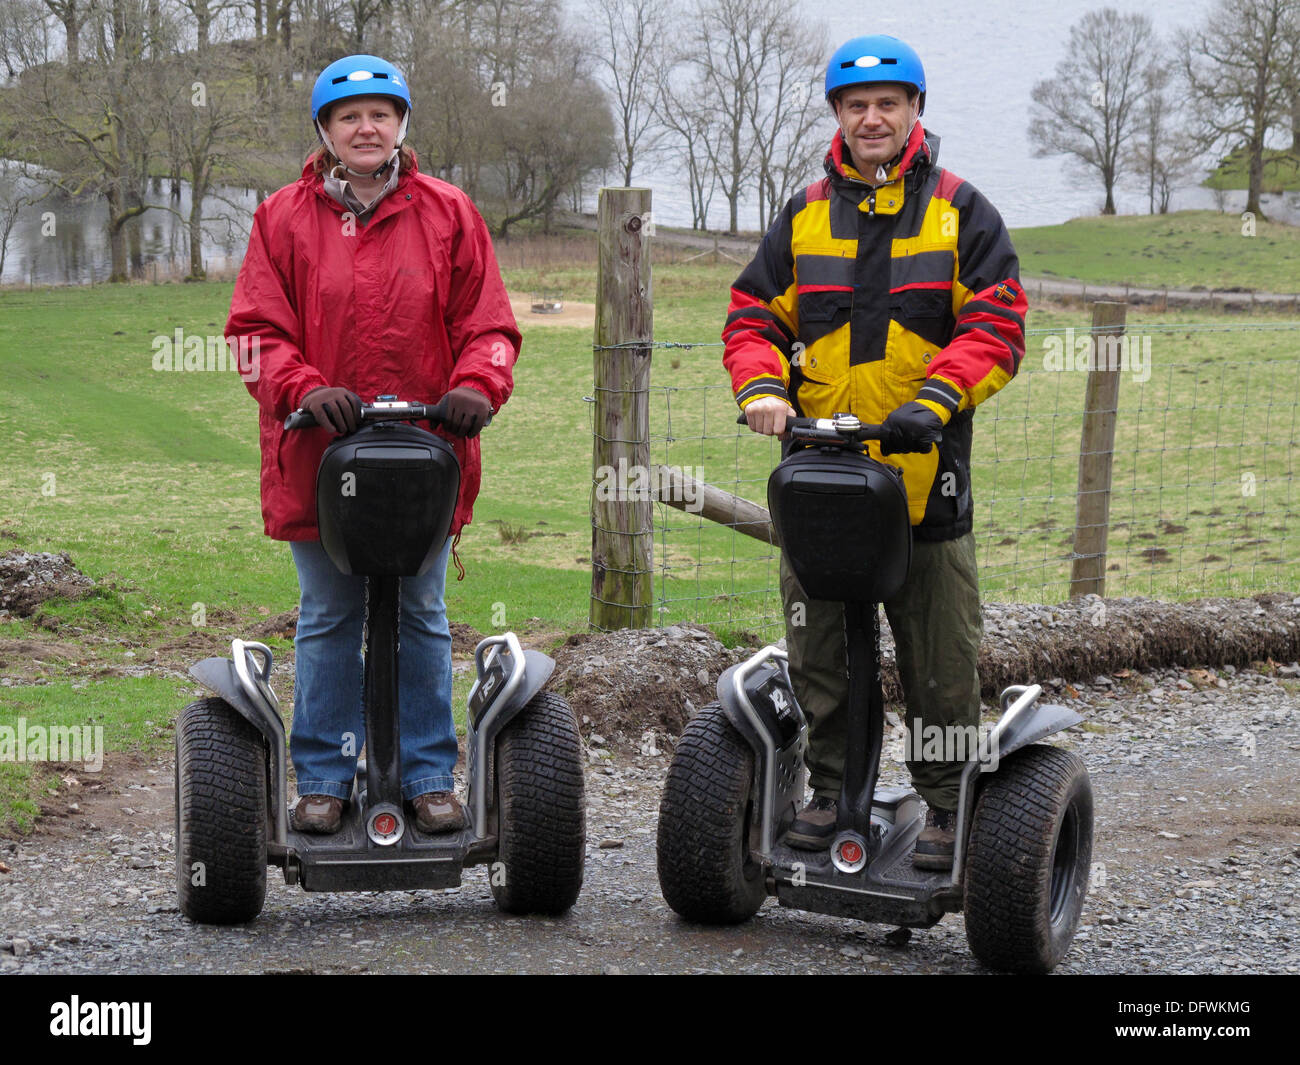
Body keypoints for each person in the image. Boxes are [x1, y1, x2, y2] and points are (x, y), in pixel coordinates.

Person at [723, 35, 1025, 869]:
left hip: (926, 483)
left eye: (889, 102)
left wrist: (935, 399)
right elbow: (752, 316)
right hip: (821, 482)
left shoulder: (962, 211)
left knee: (940, 662)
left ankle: (943, 805)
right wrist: (761, 390)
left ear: (916, 110)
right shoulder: (805, 215)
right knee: (821, 652)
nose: (872, 117)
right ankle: (831, 792)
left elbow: (998, 325)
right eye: (856, 105)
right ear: (837, 117)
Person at [226, 54, 520, 835]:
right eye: (349, 116)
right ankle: (324, 775)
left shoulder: (449, 213)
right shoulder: (282, 218)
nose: (366, 127)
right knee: (327, 611)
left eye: (380, 114)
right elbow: (255, 333)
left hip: (425, 456)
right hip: (319, 454)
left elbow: (489, 324)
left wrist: (477, 385)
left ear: (400, 126)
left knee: (422, 609)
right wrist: (303, 388)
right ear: (325, 131)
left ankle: (427, 772)